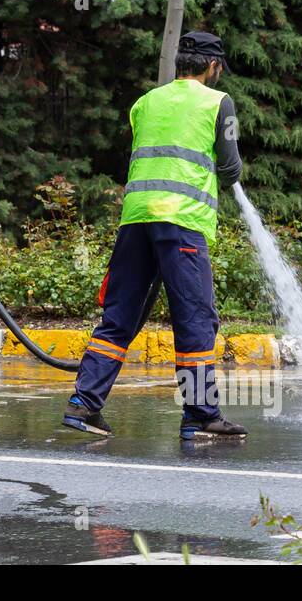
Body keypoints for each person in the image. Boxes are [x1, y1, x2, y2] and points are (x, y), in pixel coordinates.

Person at [62, 31, 247, 441]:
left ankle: (83, 405)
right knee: (196, 319)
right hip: (182, 223)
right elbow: (230, 167)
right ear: (213, 67)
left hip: (136, 219)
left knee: (119, 316)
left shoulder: (144, 103)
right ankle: (199, 414)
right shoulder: (220, 103)